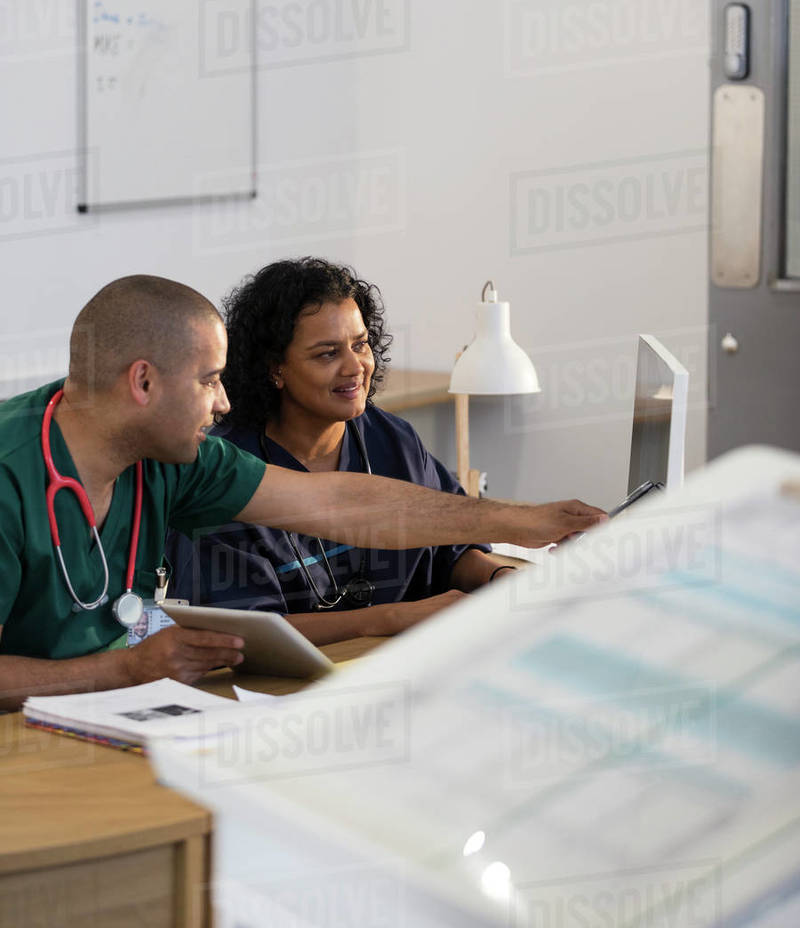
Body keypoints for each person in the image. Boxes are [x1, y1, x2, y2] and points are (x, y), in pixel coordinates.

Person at [0, 274, 605, 709]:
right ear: (143, 382)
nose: (223, 402)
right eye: (209, 381)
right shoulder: (10, 475)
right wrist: (125, 667)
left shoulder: (175, 458)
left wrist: (521, 521)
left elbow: (339, 503)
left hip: (104, 714)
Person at [167, 258, 516, 645]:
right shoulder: (223, 474)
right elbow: (244, 632)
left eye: (360, 345)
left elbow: (453, 548)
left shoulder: (392, 438)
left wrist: (500, 577)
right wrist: (386, 619)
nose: (356, 367)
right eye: (327, 354)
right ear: (275, 369)